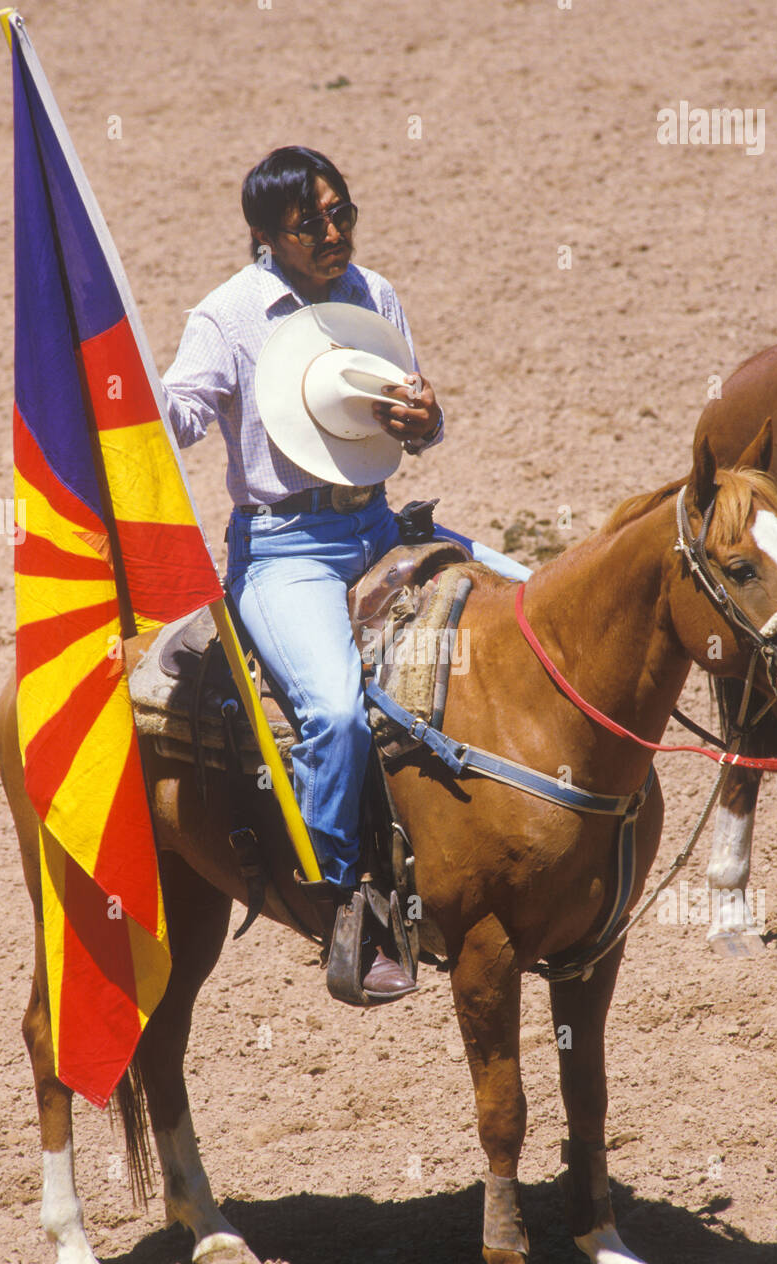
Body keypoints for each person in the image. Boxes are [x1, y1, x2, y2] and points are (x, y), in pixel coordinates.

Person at [162, 146, 531, 1001]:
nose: (334, 234)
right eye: (312, 223)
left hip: (376, 526)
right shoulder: (225, 319)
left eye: (344, 213)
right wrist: (140, 406)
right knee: (334, 711)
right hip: (283, 551)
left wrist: (427, 419)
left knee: (526, 597)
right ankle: (345, 906)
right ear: (265, 236)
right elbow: (180, 408)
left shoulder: (376, 294)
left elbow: (406, 426)